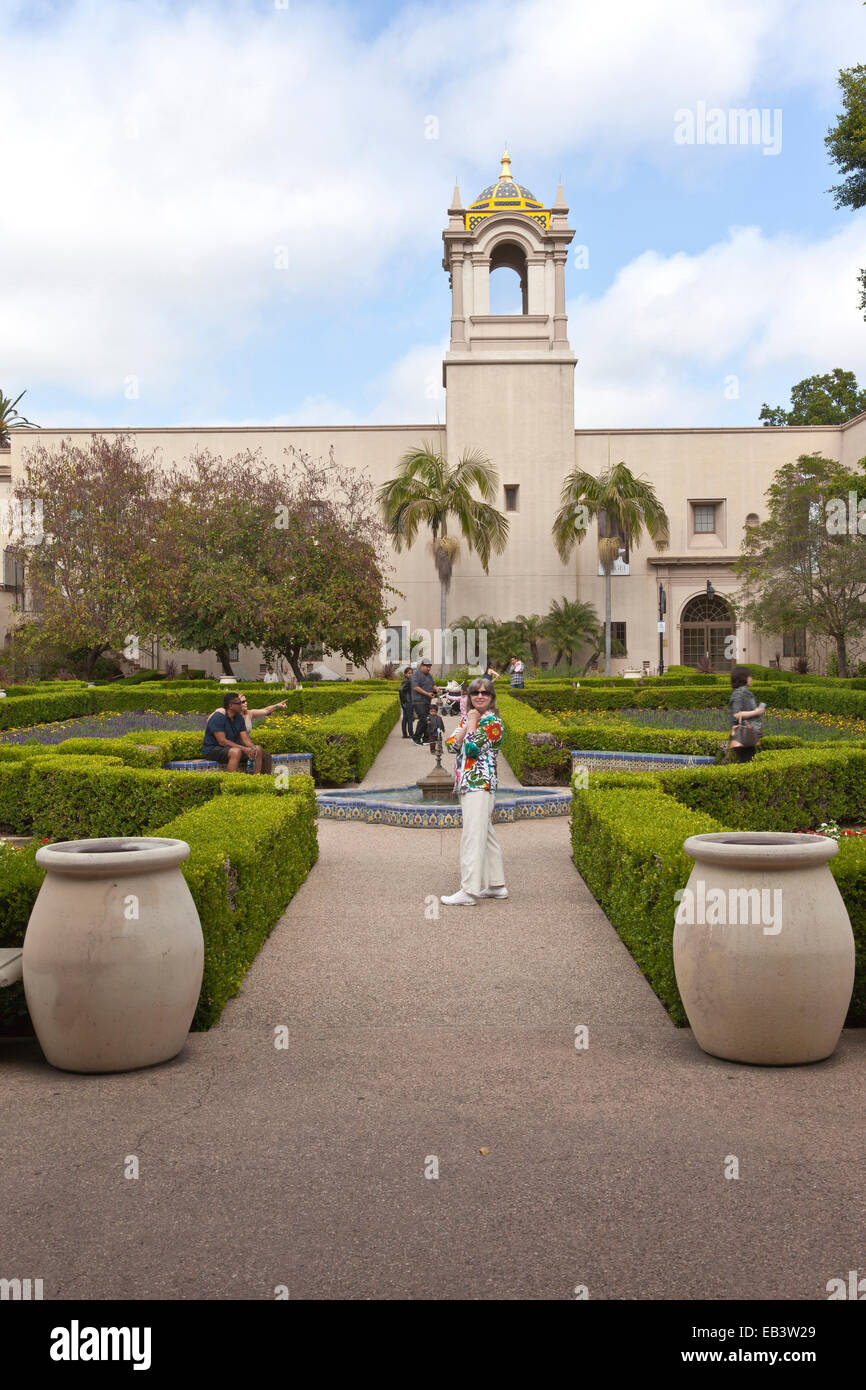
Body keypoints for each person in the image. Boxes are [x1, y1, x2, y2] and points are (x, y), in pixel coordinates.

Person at [440, 678, 507, 906]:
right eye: (475, 693)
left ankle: (468, 891)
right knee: (485, 835)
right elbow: (451, 745)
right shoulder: (470, 717)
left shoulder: (493, 723)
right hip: (468, 783)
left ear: (491, 697)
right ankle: (497, 885)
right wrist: (469, 721)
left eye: (485, 693)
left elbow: (471, 748)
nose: (479, 696)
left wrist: (471, 724)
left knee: (472, 836)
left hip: (481, 784)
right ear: (469, 696)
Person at [208, 691, 285, 774]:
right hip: (234, 744)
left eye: (246, 701)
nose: (246, 703)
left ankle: (262, 779)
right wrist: (221, 709)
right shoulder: (231, 715)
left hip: (245, 743)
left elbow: (265, 710)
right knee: (256, 751)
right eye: (242, 702)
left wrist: (277, 705)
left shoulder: (250, 713)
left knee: (266, 756)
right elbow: (210, 720)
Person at [728, 666, 765, 763]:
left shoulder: (745, 692)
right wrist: (756, 712)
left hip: (748, 734)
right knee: (747, 762)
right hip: (743, 735)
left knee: (748, 761)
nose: (751, 678)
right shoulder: (739, 693)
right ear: (743, 678)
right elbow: (736, 714)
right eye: (749, 676)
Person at [411, 658, 436, 744]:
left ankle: (426, 738)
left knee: (428, 719)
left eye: (429, 667)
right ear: (421, 666)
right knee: (423, 719)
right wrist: (427, 693)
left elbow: (433, 685)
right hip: (418, 701)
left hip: (427, 701)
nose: (428, 668)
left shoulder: (429, 675)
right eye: (426, 666)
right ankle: (416, 737)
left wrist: (437, 689)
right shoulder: (416, 675)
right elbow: (415, 687)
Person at [399, 665, 415, 739]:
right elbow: (401, 690)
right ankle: (411, 734)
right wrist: (403, 701)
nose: (410, 675)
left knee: (405, 718)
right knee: (409, 718)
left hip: (407, 702)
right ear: (405, 674)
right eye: (409, 673)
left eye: (411, 673)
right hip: (408, 702)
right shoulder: (407, 681)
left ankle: (405, 734)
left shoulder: (406, 680)